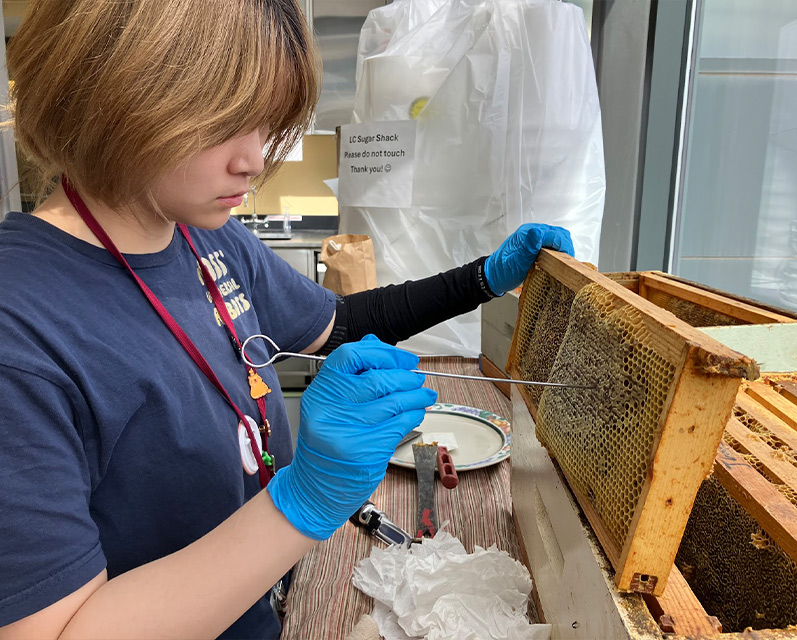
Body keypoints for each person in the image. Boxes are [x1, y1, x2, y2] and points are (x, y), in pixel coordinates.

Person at [0, 1, 575, 638]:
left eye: (266, 123)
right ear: (112, 97)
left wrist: (480, 280)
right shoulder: (20, 327)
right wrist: (300, 502)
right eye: (225, 123)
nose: (255, 160)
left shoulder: (202, 236)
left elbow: (342, 322)